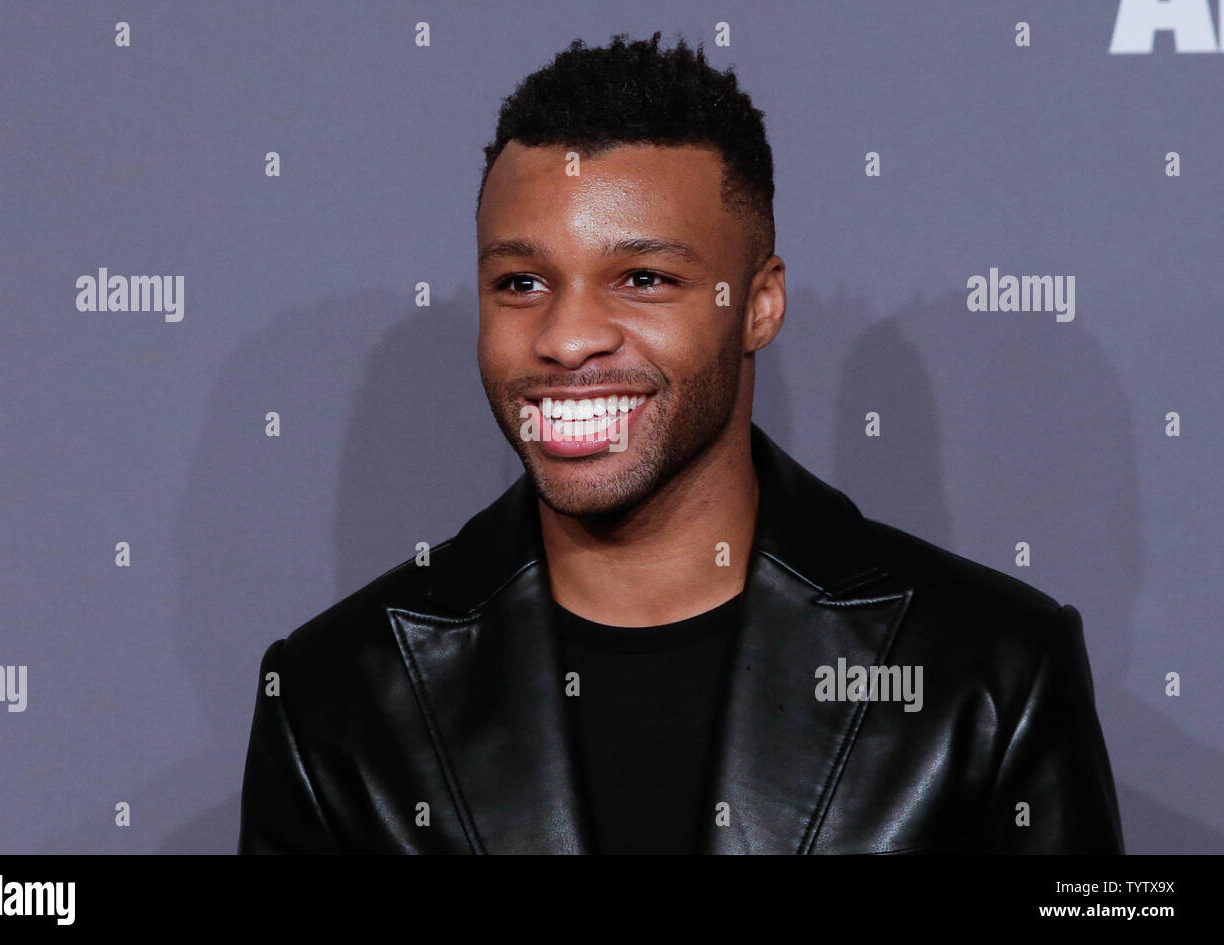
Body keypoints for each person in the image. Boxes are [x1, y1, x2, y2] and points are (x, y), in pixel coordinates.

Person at [238, 32, 1123, 854]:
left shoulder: (992, 674)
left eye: (644, 278)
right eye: (521, 281)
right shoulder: (331, 702)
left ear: (760, 305)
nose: (568, 336)